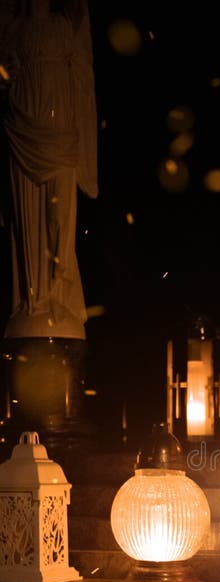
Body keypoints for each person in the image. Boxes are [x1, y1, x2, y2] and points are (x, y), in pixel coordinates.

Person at [0, 0, 97, 340]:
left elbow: (82, 68)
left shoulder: (63, 25)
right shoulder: (15, 28)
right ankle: (34, 297)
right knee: (29, 219)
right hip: (24, 126)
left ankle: (59, 292)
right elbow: (4, 73)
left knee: (60, 219)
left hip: (60, 130)